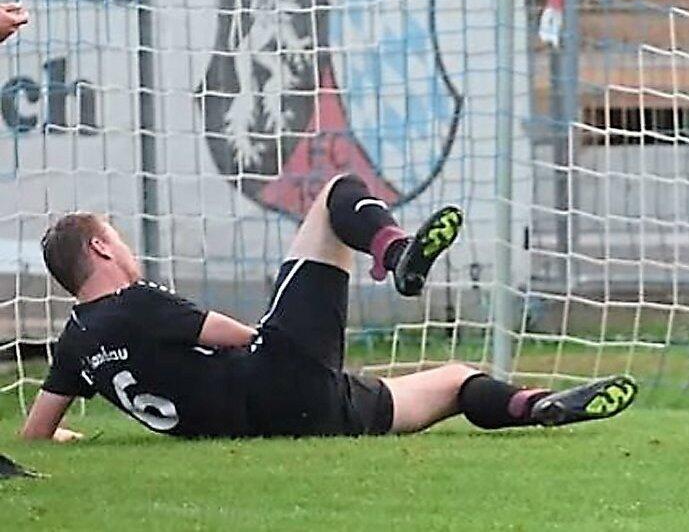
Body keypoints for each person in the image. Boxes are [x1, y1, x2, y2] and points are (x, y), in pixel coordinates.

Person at [19, 173, 637, 441]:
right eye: (118, 237)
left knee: (453, 381)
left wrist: (74, 435)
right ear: (101, 247)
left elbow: (37, 432)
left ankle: (537, 407)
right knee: (337, 195)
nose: (126, 246)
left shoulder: (74, 342)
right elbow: (237, 336)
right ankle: (394, 254)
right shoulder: (137, 303)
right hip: (278, 381)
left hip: (294, 417)